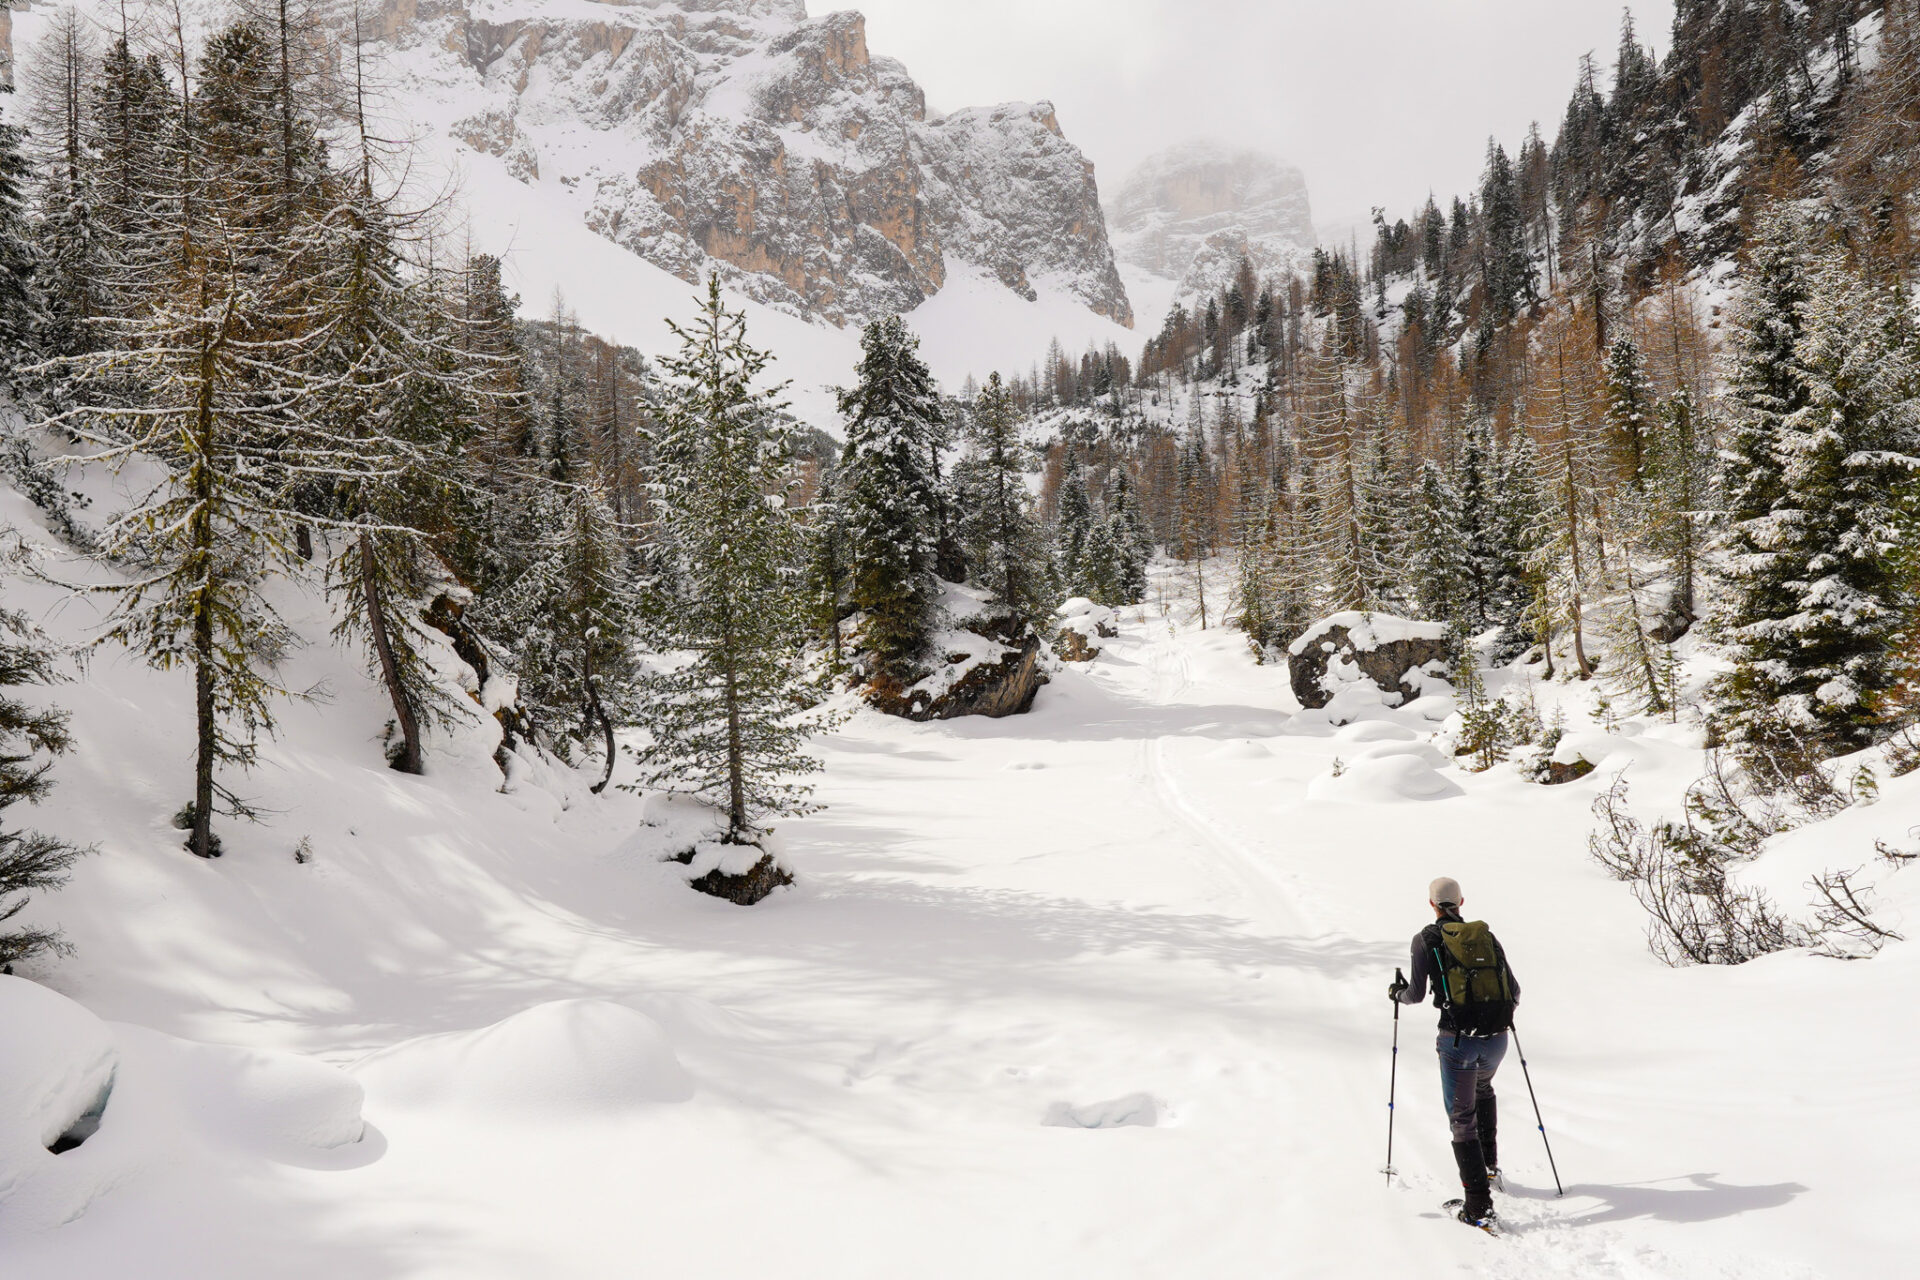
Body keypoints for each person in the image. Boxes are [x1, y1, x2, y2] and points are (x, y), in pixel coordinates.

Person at [1388, 876, 1520, 1228]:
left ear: (1431, 904)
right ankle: (1490, 1169)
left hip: (1457, 1040)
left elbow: (1415, 995)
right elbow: (1515, 990)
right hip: (1497, 1039)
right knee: (1484, 1089)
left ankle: (1477, 1207)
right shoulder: (1486, 936)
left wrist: (1395, 994)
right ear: (1461, 902)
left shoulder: (1426, 939)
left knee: (1462, 1120)